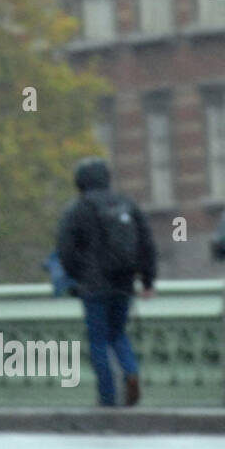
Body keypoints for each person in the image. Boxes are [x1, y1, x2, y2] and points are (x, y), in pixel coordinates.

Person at [56, 157, 156, 407]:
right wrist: (147, 280)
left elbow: (65, 249)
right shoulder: (127, 204)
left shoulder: (78, 208)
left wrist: (76, 277)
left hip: (94, 285)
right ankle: (130, 371)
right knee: (119, 334)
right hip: (124, 282)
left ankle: (108, 396)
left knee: (98, 341)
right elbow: (147, 244)